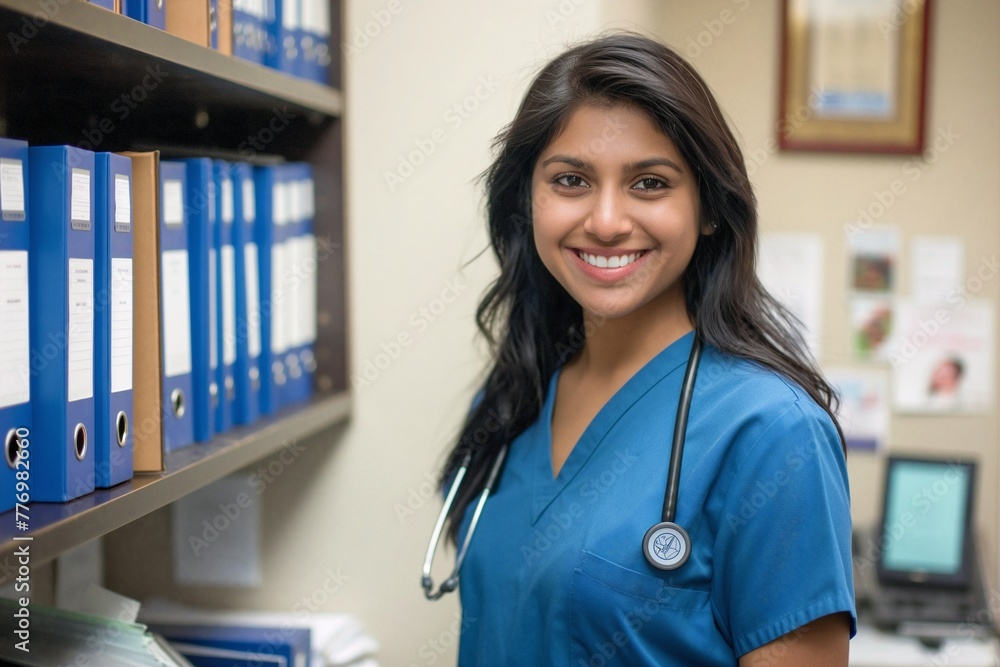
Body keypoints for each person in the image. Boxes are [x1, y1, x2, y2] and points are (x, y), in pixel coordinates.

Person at [432, 32, 856, 666]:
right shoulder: (509, 402)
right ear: (528, 202)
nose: (605, 220)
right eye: (571, 179)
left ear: (709, 207)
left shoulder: (772, 434)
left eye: (650, 183)